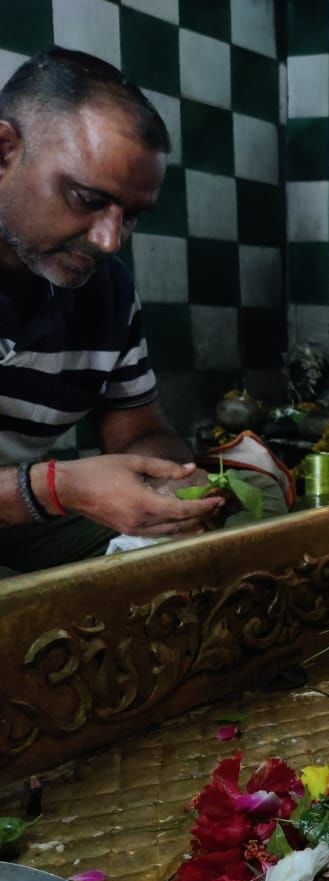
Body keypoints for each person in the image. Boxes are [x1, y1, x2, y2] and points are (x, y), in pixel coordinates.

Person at [0, 48, 220, 576]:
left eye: (131, 217)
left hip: (19, 521)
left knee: (204, 551)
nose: (109, 240)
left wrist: (173, 478)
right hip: (31, 502)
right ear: (5, 150)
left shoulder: (105, 291)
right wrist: (58, 487)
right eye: (85, 197)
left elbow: (140, 430)